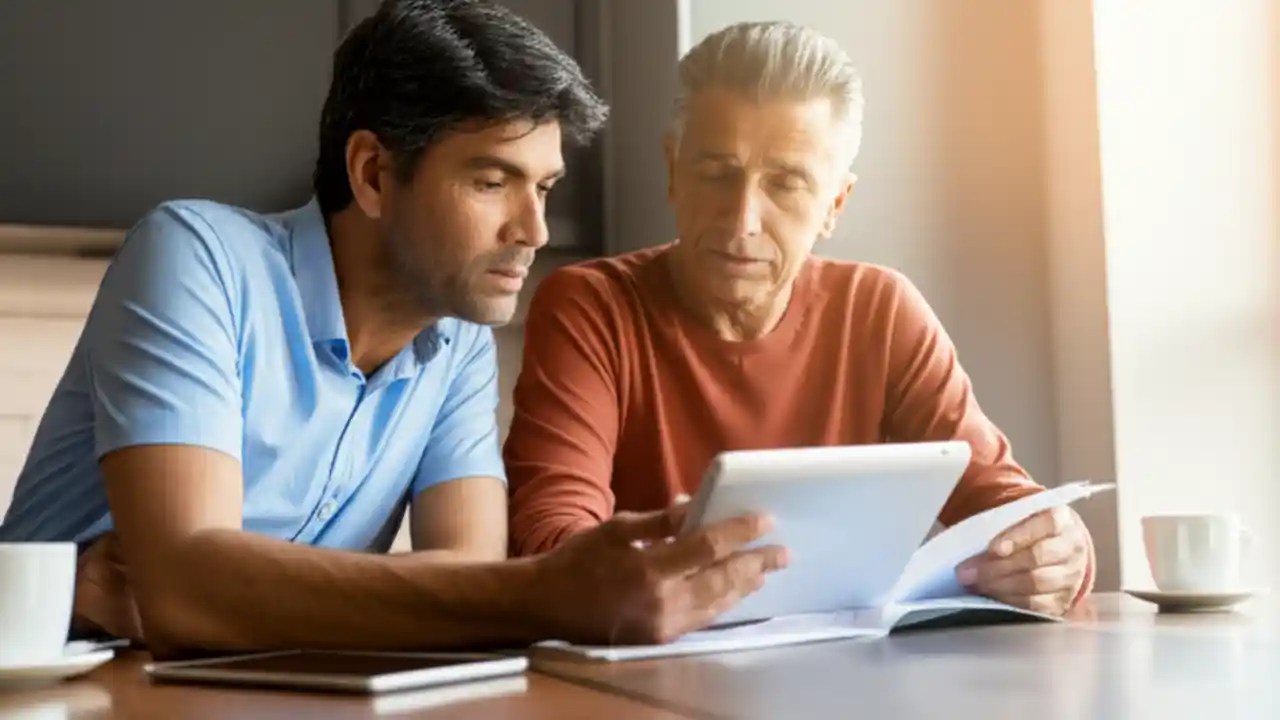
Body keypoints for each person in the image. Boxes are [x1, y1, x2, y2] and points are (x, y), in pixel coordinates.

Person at [0, 0, 786, 656]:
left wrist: (238, 589)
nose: (535, 229)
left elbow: (471, 579)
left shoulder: (459, 343)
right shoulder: (198, 258)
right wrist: (546, 592)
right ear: (374, 174)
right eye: (491, 181)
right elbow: (187, 584)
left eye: (545, 187)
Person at [505, 21, 1095, 616]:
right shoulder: (592, 307)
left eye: (784, 184)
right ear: (672, 170)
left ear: (835, 204)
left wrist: (1058, 550)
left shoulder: (881, 312)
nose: (742, 222)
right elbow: (550, 539)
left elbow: (1005, 505)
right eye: (715, 174)